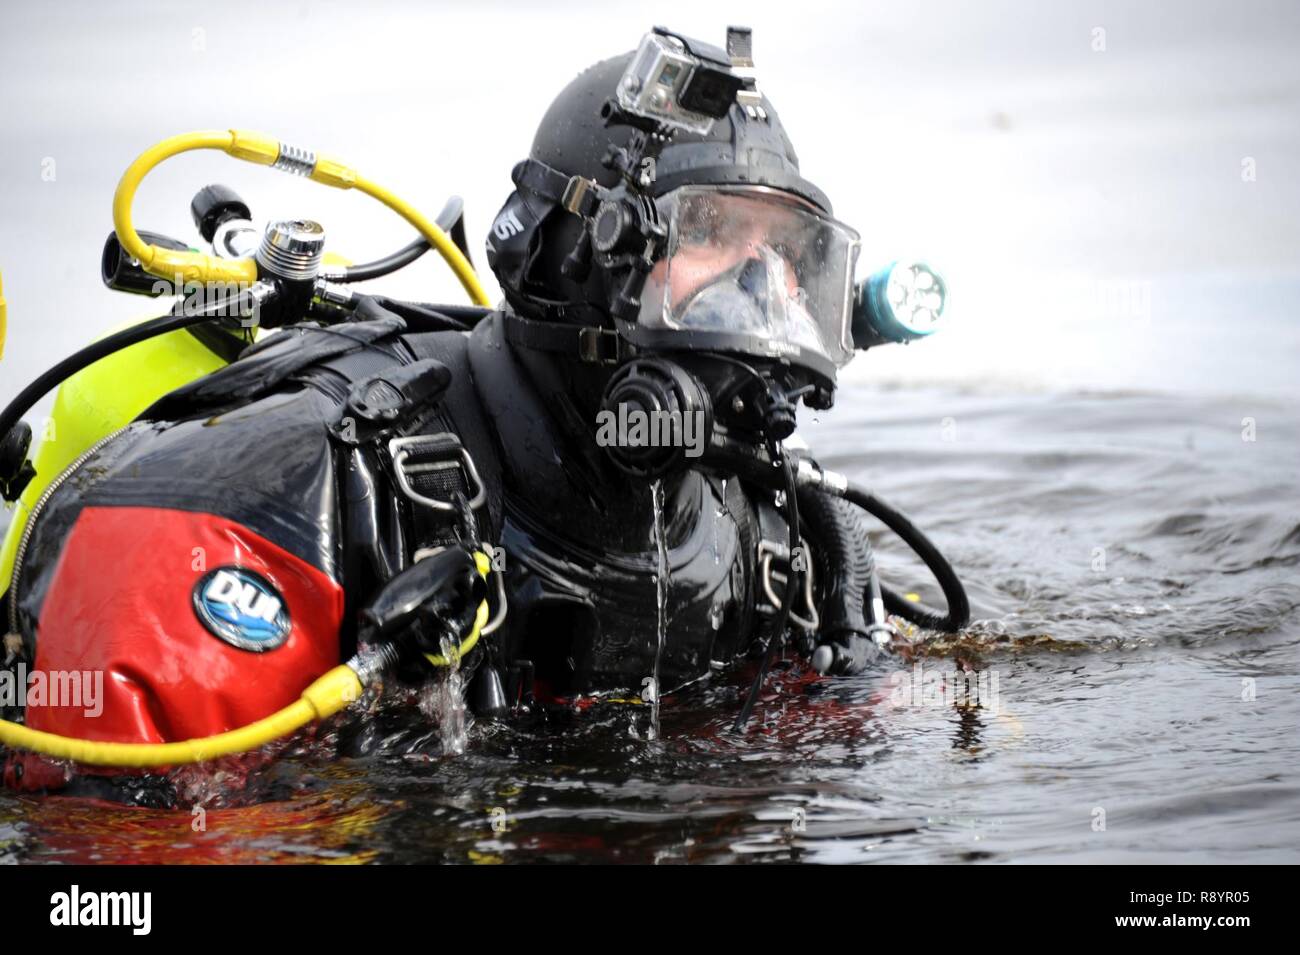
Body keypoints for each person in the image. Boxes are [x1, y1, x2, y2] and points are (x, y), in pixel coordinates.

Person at [0, 27, 967, 793]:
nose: (761, 288)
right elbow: (102, 859)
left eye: (787, 252)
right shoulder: (297, 489)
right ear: (572, 259)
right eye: (712, 233)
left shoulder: (783, 542)